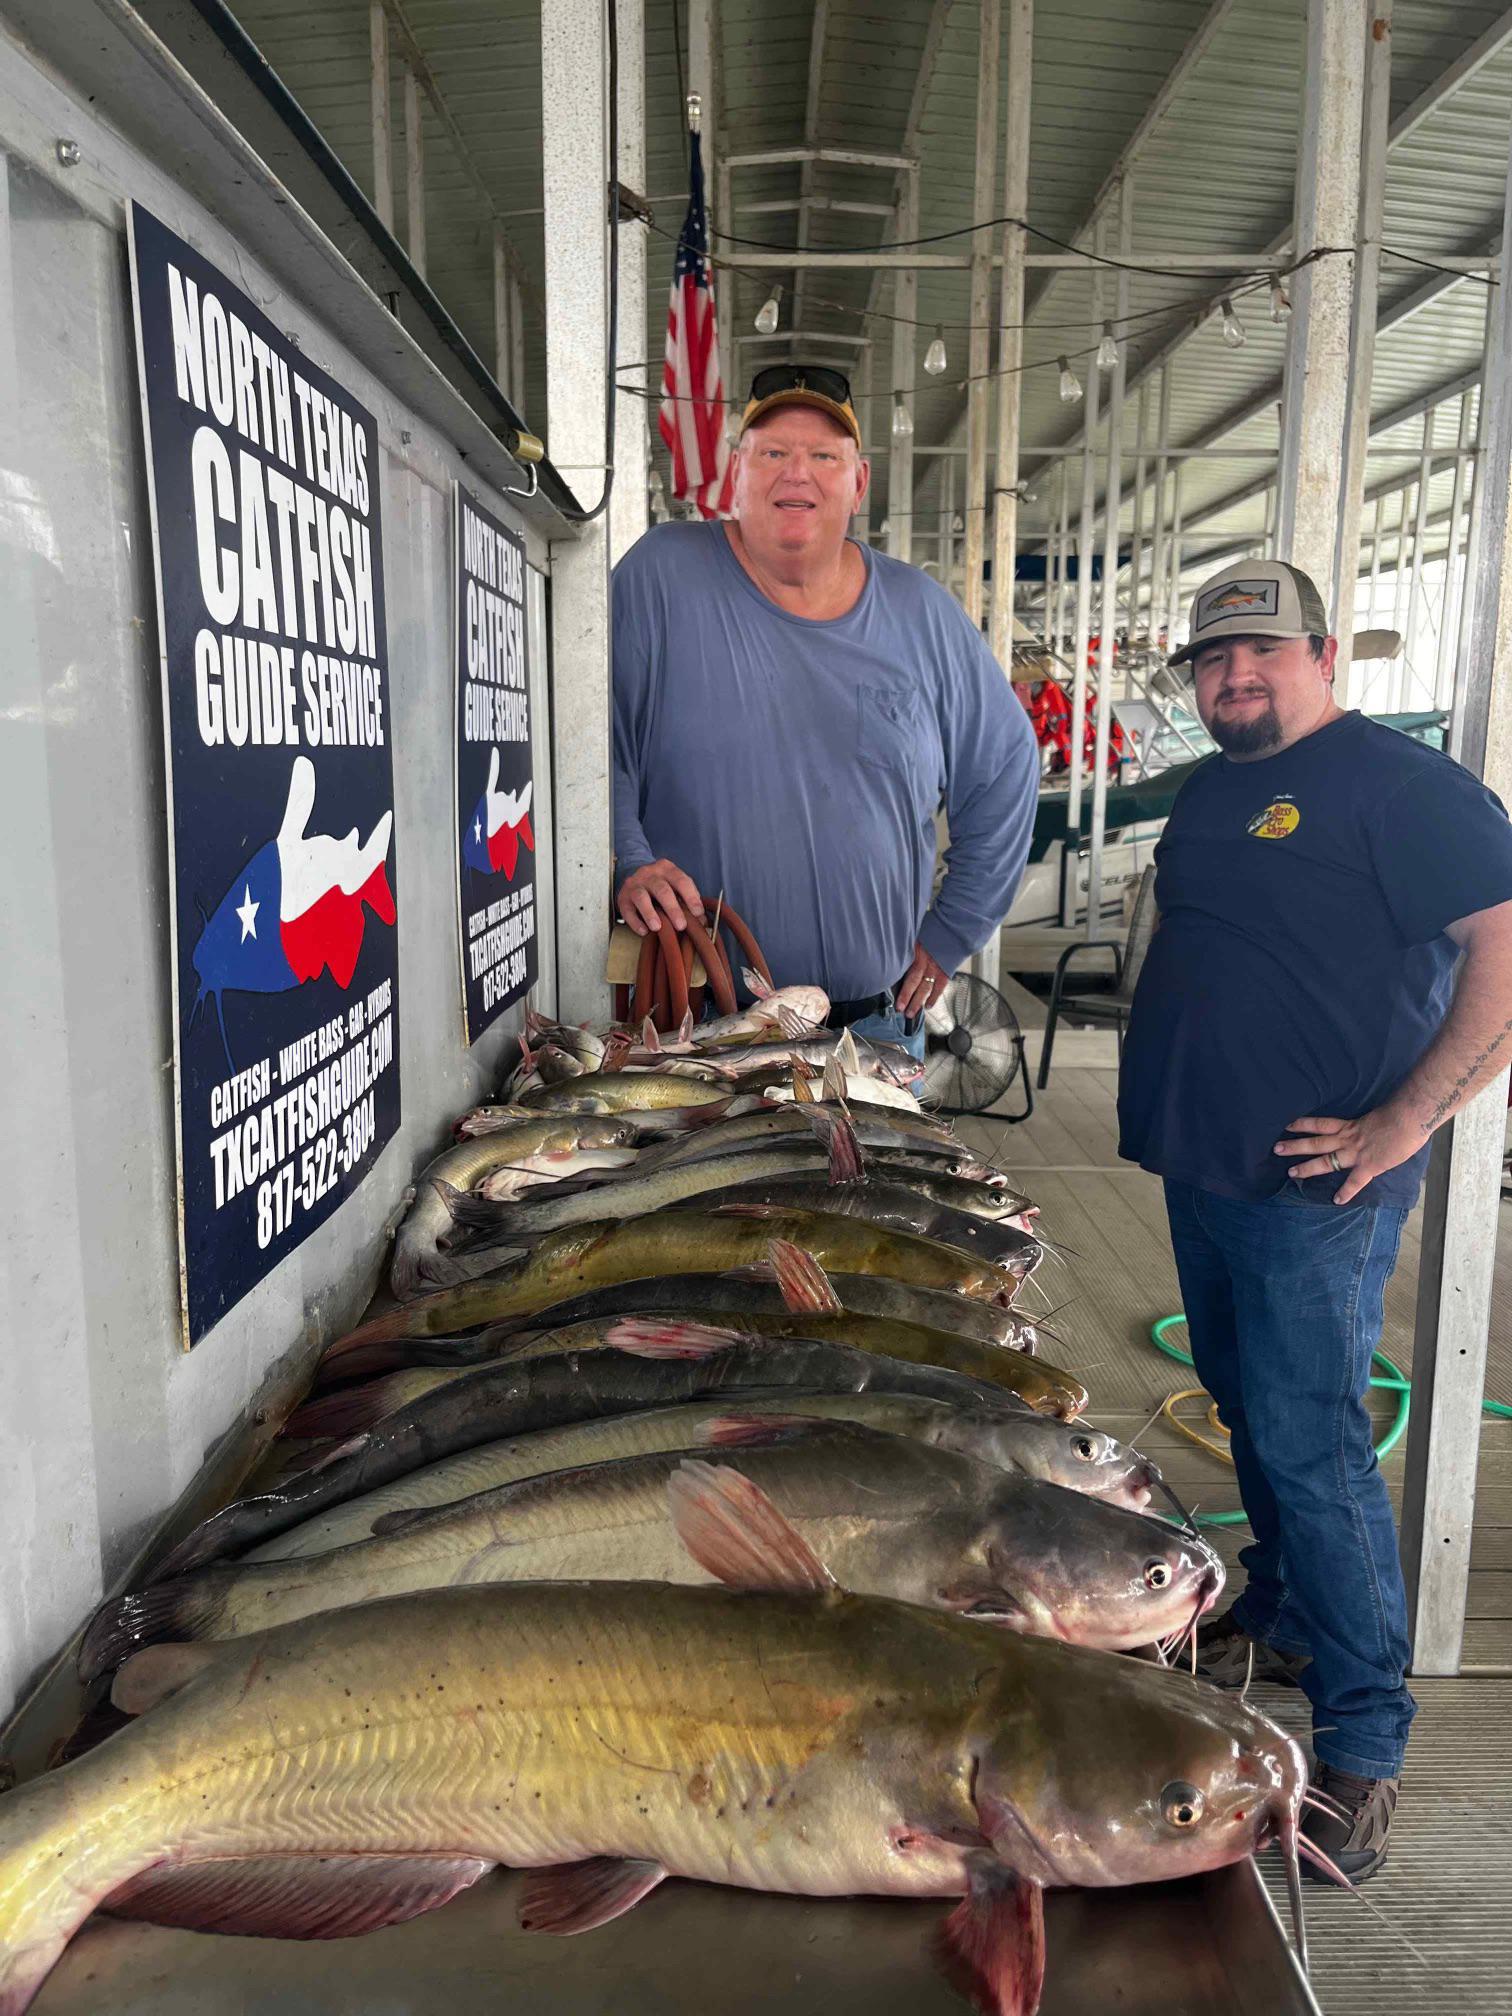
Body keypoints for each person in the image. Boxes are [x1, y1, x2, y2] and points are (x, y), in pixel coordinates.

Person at [1117, 557, 1512, 1882]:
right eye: (1215, 660)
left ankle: (1362, 1737)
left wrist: (1406, 1123)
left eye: (1263, 654)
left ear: (1326, 654)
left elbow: (1507, 951)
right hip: (1208, 1165)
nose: (1235, 677)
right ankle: (1279, 1616)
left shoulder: (1403, 789)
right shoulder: (1213, 788)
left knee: (1315, 1440)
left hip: (1314, 1195)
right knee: (1248, 1406)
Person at [612, 364, 1039, 1056]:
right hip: (705, 1026)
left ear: (859, 481)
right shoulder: (661, 575)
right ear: (735, 471)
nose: (796, 474)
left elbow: (1006, 768)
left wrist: (955, 926)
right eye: (773, 452)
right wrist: (628, 857)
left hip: (875, 1028)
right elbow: (593, 742)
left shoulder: (920, 610)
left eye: (823, 456)